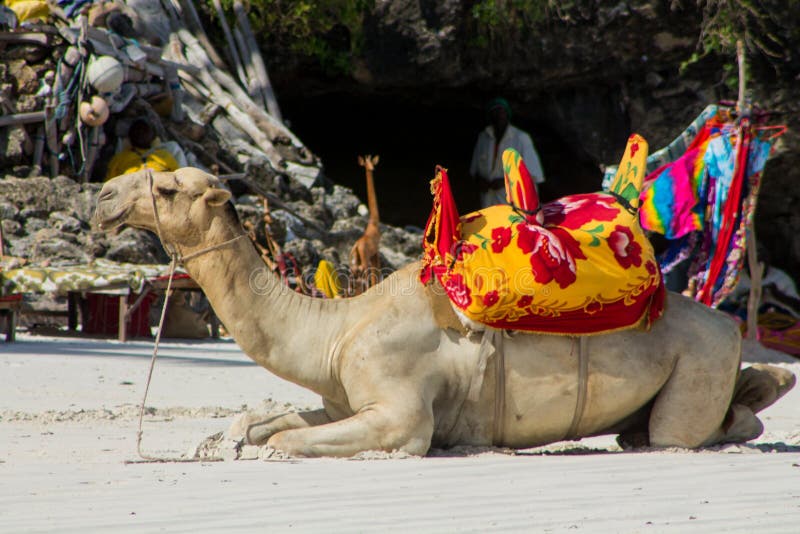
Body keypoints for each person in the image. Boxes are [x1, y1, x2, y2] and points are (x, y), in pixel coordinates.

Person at [470, 97, 545, 208]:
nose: (499, 115)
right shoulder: (483, 138)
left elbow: (534, 174)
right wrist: (481, 181)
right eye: (495, 111)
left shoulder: (521, 138)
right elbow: (474, 171)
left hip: (514, 205)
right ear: (490, 116)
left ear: (507, 114)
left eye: (502, 111)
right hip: (488, 202)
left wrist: (504, 181)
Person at [105, 119, 179, 180]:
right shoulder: (119, 159)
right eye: (137, 130)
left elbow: (179, 180)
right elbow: (109, 184)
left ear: (153, 136)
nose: (141, 132)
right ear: (130, 136)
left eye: (145, 130)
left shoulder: (164, 156)